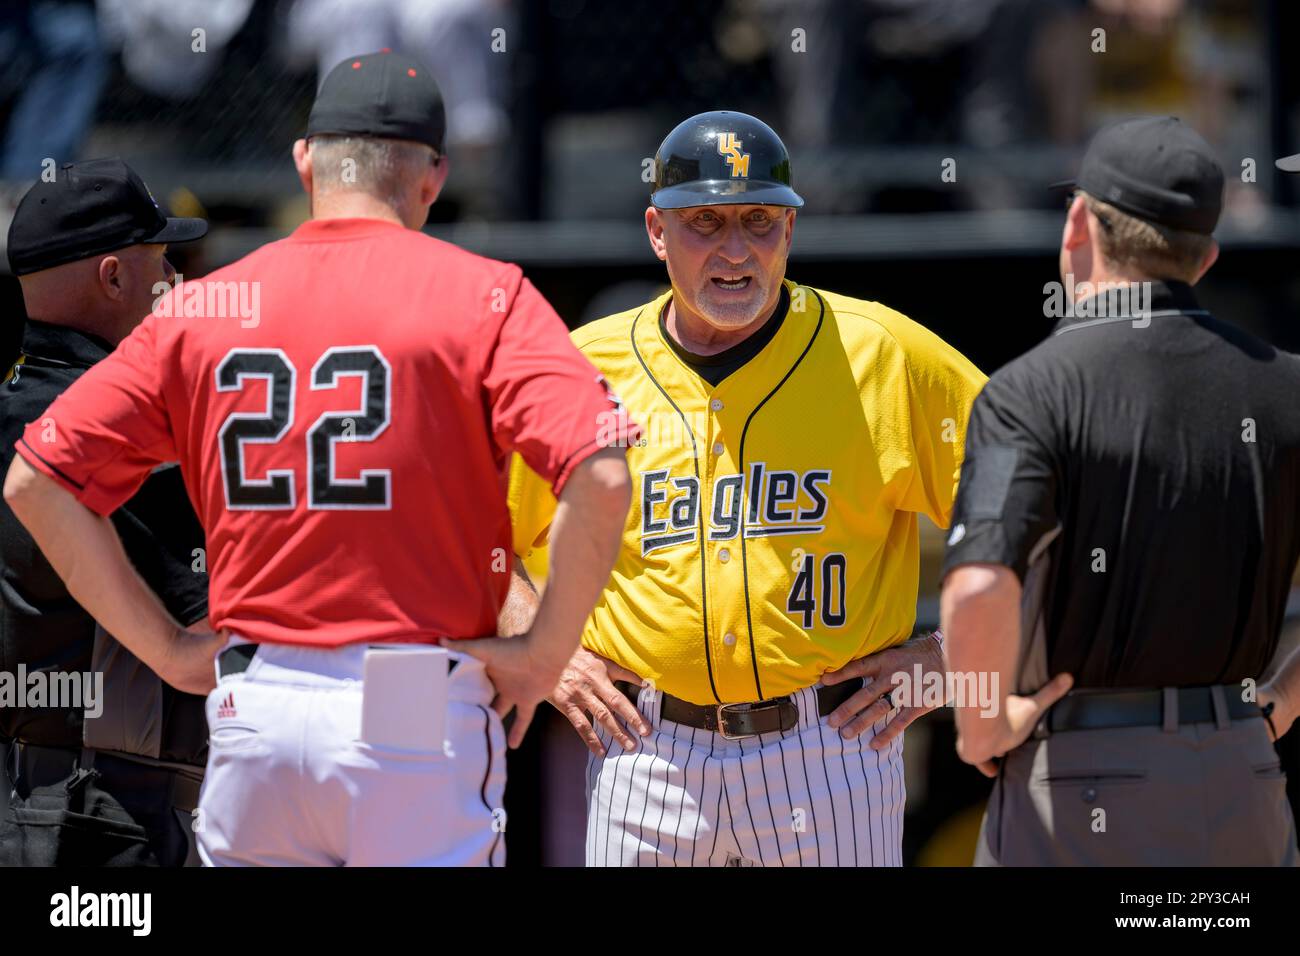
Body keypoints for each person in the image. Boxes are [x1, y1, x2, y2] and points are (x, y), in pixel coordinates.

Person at [3, 50, 632, 867]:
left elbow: (36, 479)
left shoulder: (206, 305)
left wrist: (165, 648)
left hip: (253, 699)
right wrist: (545, 652)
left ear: (305, 162)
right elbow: (603, 472)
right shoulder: (488, 293)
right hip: (409, 693)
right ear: (433, 177)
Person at [509, 110, 986, 866]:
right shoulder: (582, 366)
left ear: (790, 230)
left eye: (759, 219)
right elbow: (466, 528)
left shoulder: (884, 354)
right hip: (647, 749)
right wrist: (542, 648)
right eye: (705, 221)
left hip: (831, 750)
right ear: (657, 231)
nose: (736, 249)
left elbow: (1046, 512)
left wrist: (956, 657)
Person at [941, 116, 1300, 866]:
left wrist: (979, 724)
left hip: (1081, 781)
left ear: (1080, 221)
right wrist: (1286, 695)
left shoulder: (1029, 391)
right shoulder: (1288, 387)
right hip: (1244, 774)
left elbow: (978, 588)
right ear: (1205, 258)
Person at [0, 157, 209, 866]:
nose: (176, 283)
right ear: (114, 278)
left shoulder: (12, 405)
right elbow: (214, 636)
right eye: (162, 261)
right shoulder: (118, 434)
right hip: (109, 811)